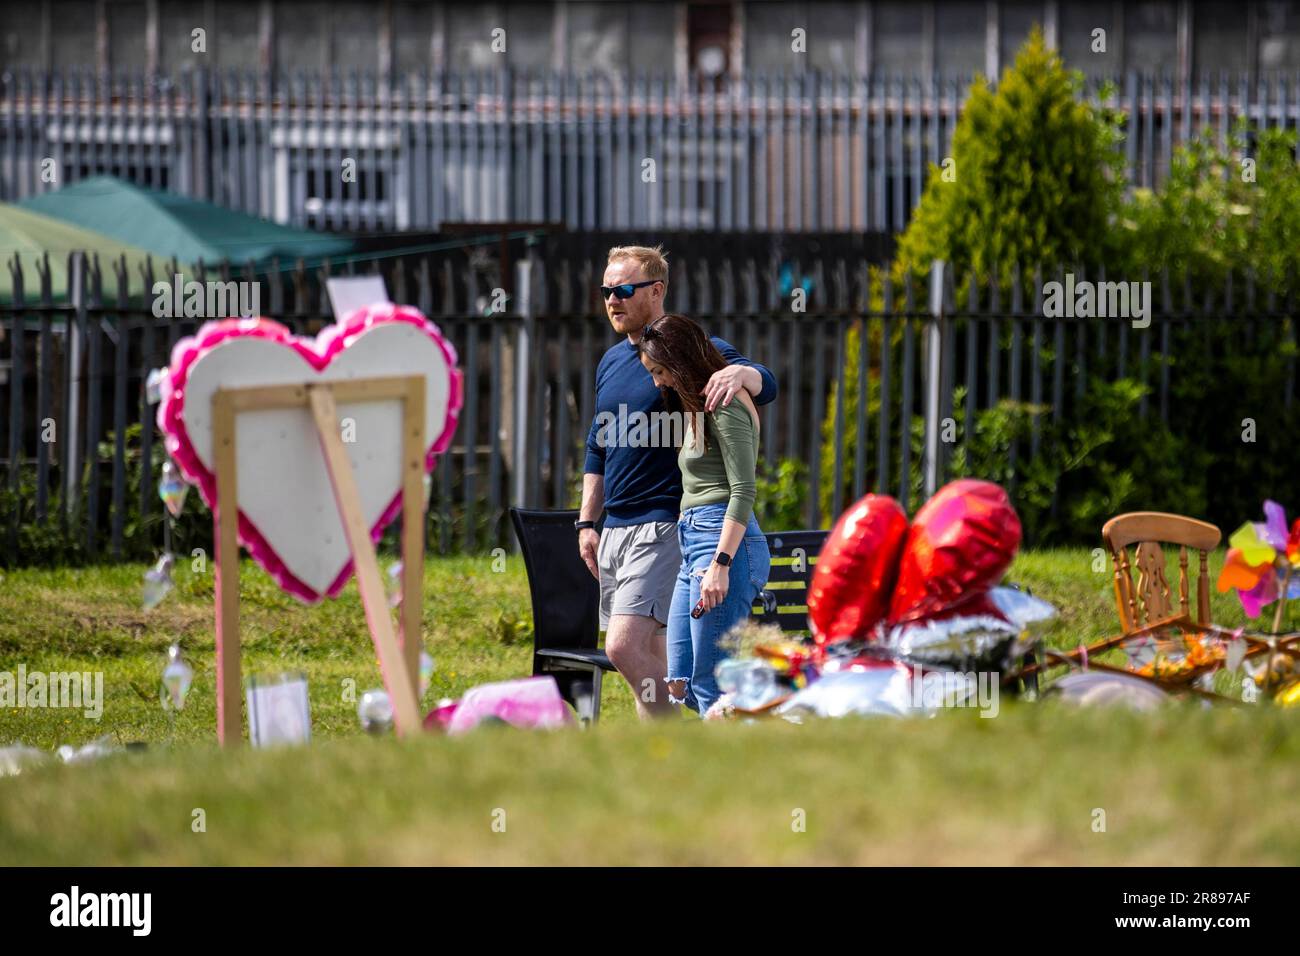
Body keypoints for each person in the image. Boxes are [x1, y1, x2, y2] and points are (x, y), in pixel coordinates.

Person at [579, 245, 777, 719]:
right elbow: (597, 443)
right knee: (667, 667)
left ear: (656, 290)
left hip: (672, 524)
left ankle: (718, 734)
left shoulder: (689, 350)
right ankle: (672, 757)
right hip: (619, 528)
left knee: (626, 648)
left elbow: (764, 382)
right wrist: (587, 521)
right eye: (606, 291)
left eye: (623, 290)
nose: (612, 300)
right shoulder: (610, 362)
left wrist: (742, 372)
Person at [637, 314, 771, 716]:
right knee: (681, 680)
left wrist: (721, 564)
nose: (658, 382)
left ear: (680, 361)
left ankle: (740, 765)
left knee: (711, 684)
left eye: (661, 371)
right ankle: (746, 727)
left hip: (723, 544)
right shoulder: (698, 403)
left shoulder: (724, 404)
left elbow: (743, 491)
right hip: (693, 543)